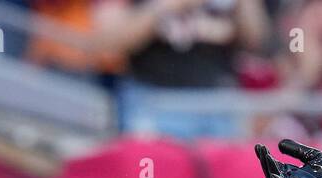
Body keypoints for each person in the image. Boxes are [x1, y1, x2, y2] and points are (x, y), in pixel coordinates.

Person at [94, 0, 270, 138]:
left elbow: (256, 39)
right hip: (153, 101)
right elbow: (108, 42)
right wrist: (167, 6)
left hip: (217, 104)